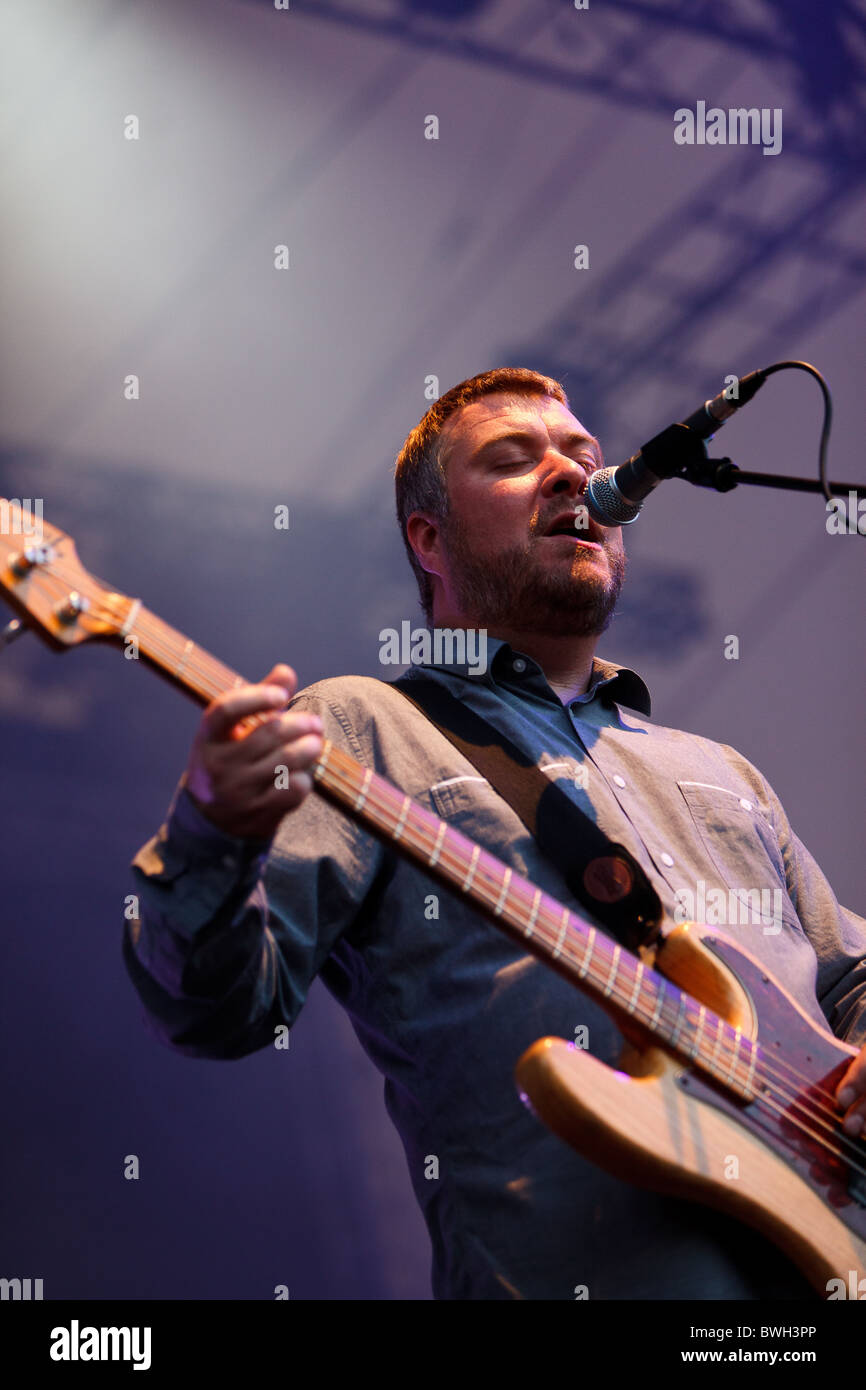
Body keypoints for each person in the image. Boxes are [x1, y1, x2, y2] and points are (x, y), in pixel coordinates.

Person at [123, 367, 866, 1300]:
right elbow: (216, 1011)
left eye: (582, 458)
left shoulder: (721, 770)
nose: (567, 473)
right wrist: (210, 831)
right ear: (428, 540)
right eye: (514, 462)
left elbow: (850, 979)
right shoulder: (361, 728)